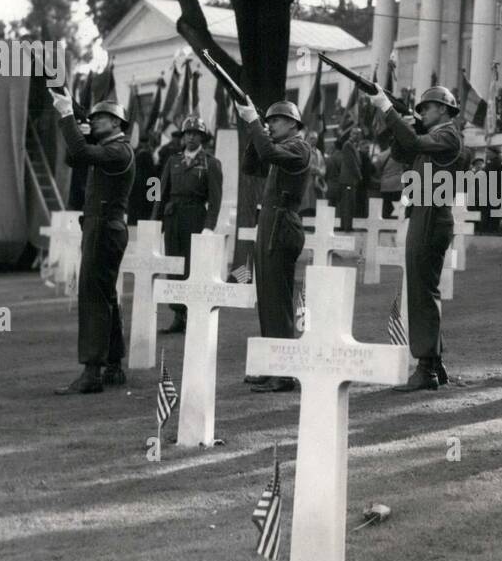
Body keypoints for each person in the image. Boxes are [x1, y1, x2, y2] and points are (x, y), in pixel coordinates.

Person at [368, 85, 464, 391]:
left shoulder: (447, 134)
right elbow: (401, 151)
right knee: (424, 291)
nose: (422, 112)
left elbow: (413, 142)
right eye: (419, 109)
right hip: (425, 214)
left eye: (427, 108)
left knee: (421, 294)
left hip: (432, 215)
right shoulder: (431, 137)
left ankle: (425, 368)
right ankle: (435, 364)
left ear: (445, 110)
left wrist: (387, 108)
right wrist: (403, 126)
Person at [50, 96, 136, 394]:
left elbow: (80, 152)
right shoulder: (111, 147)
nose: (94, 121)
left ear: (116, 123)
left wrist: (66, 116)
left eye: (100, 118)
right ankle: (112, 366)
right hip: (103, 228)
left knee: (92, 296)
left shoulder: (118, 149)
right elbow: (74, 159)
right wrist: (81, 129)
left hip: (103, 229)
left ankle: (92, 372)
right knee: (105, 296)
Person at [237, 98, 312, 393]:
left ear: (293, 123)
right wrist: (253, 129)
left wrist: (254, 123)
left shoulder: (299, 147)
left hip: (282, 224)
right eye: (268, 120)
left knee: (278, 301)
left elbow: (267, 152)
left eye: (276, 120)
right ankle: (272, 365)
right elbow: (250, 165)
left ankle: (284, 373)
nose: (271, 124)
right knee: (267, 299)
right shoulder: (282, 147)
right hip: (270, 222)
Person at [153, 116, 223, 333]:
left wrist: (209, 226)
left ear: (202, 137)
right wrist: (154, 224)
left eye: (196, 133)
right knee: (173, 264)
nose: (191, 137)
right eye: (188, 133)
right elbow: (159, 192)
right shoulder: (172, 161)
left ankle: (193, 314)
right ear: (183, 137)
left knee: (193, 266)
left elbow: (215, 198)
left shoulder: (211, 163)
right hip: (173, 216)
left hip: (195, 217)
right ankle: (177, 314)